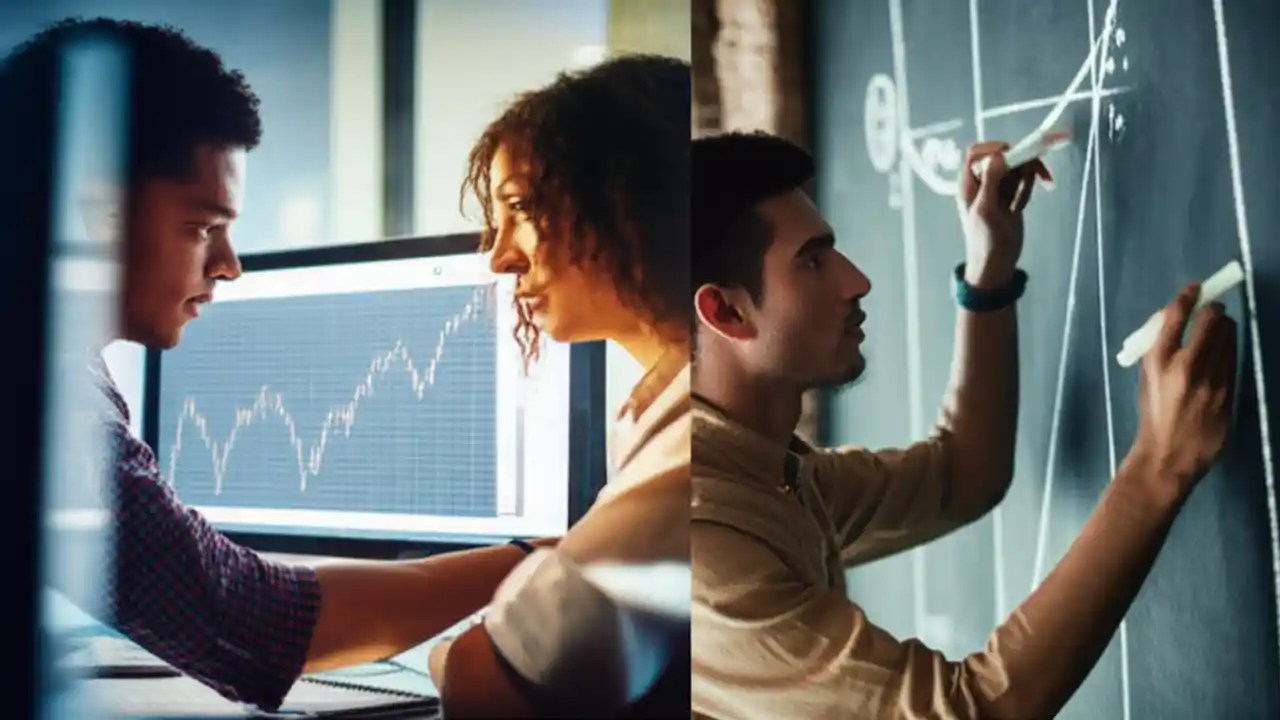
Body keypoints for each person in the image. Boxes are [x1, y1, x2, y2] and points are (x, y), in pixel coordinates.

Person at [2, 18, 555, 713]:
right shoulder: (45, 396)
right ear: (95, 213)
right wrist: (542, 557)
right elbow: (257, 624)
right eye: (203, 227)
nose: (229, 266)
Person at [688, 132, 1237, 719]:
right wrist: (1159, 467)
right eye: (813, 261)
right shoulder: (704, 547)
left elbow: (963, 474)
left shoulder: (766, 472)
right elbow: (971, 710)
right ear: (726, 311)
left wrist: (988, 275)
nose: (856, 281)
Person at [425, 54, 692, 718]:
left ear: (629, 196)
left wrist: (449, 651)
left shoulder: (689, 442)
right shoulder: (655, 411)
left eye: (522, 207)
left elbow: (484, 686)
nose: (499, 254)